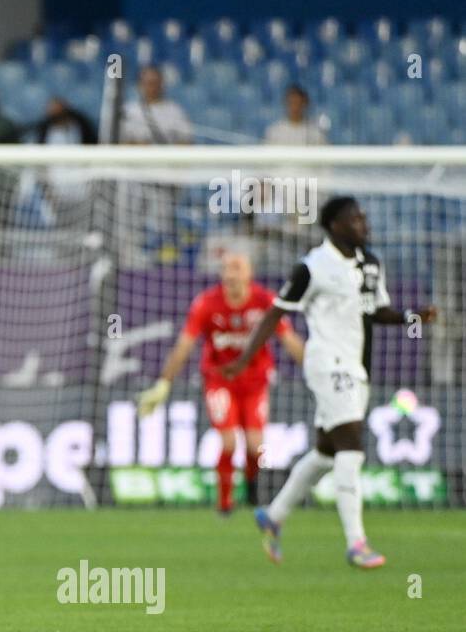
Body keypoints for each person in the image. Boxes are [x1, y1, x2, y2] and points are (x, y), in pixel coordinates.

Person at [224, 197, 437, 568]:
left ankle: (273, 516)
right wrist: (244, 358)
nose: (364, 224)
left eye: (363, 217)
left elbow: (376, 311)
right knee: (351, 444)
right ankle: (357, 543)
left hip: (357, 367)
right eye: (356, 219)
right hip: (326, 363)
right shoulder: (312, 267)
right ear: (335, 225)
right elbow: (276, 312)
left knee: (326, 451)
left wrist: (411, 316)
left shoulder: (371, 263)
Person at [137, 252, 305, 514]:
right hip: (220, 380)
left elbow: (290, 339)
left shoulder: (266, 301)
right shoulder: (206, 303)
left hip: (255, 382)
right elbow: (184, 345)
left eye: (236, 268)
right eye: (226, 269)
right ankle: (225, 503)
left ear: (249, 273)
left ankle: (251, 482)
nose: (230, 275)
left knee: (255, 445)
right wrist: (164, 383)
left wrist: (315, 370)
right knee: (228, 443)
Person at [119, 66, 192, 145]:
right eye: (149, 83)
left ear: (162, 85)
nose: (153, 87)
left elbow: (186, 141)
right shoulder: (129, 110)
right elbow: (120, 143)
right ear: (140, 85)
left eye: (156, 83)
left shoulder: (175, 111)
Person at [28, 96, 97, 145]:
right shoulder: (43, 131)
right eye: (54, 115)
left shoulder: (81, 126)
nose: (58, 117)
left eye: (60, 113)